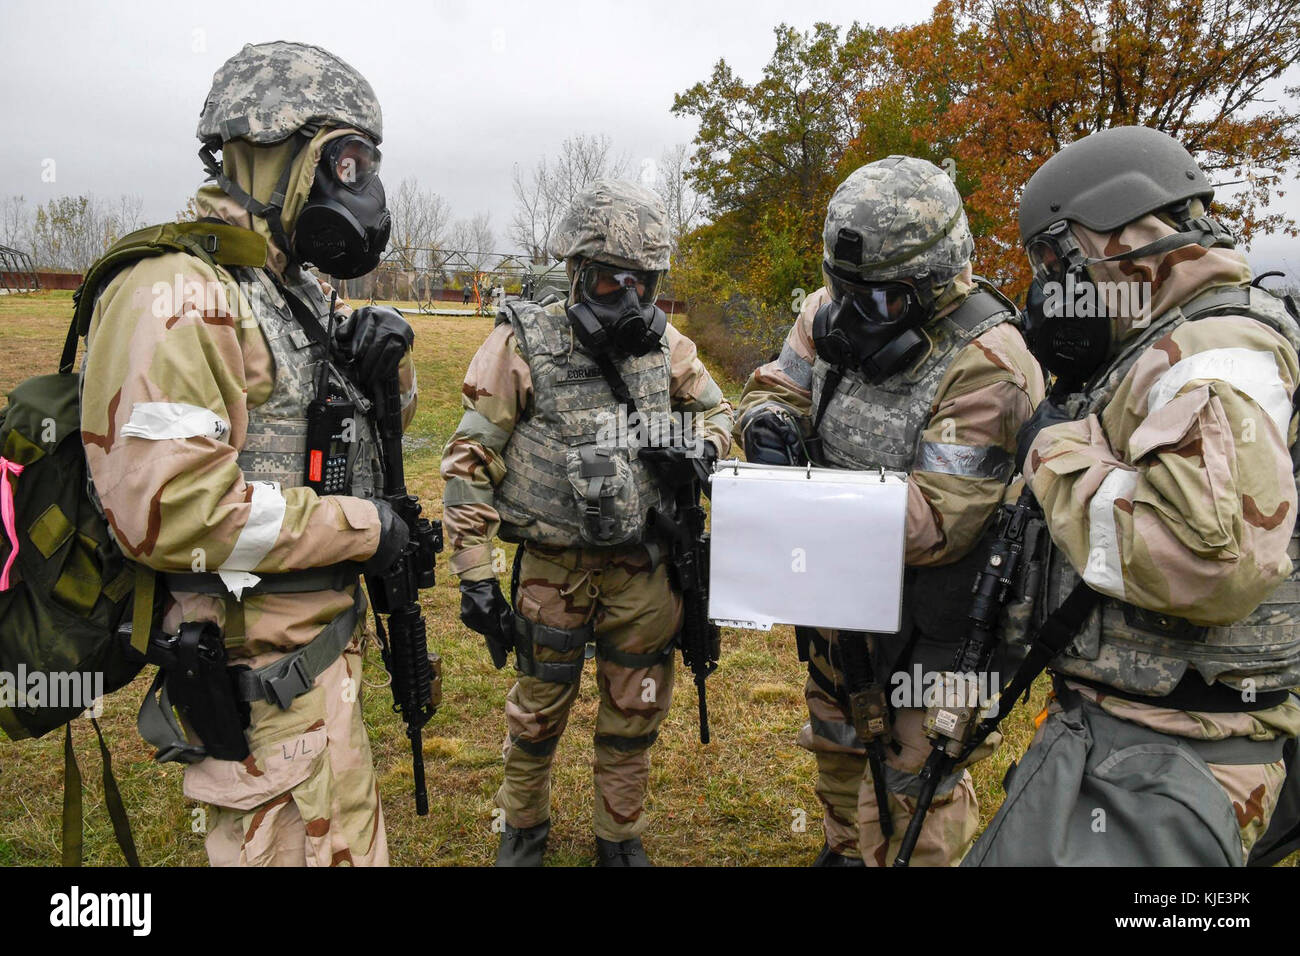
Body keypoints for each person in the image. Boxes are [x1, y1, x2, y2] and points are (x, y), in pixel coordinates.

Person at [78, 41, 417, 866]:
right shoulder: (176, 291)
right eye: (345, 159)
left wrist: (384, 374)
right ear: (269, 154)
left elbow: (330, 434)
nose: (361, 186)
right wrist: (365, 528)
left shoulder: (280, 290)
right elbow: (175, 514)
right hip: (263, 698)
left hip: (317, 675)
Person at [965, 125, 1300, 866]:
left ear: (1115, 239)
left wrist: (1051, 449)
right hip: (1136, 731)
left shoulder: (1217, 355)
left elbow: (1204, 561)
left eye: (1055, 258)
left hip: (1175, 751)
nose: (1049, 286)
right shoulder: (1168, 340)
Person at [734, 156, 1045, 866]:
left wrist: (793, 502)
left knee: (912, 790)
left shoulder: (991, 361)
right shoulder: (829, 310)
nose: (851, 312)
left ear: (934, 284)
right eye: (844, 289)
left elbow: (937, 520)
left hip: (939, 617)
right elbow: (777, 384)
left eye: (880, 299)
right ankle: (843, 849)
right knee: (838, 735)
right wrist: (765, 425)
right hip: (842, 593)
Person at [440, 179, 733, 866]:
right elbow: (468, 458)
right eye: (608, 282)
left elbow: (722, 415)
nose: (627, 299)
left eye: (640, 282)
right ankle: (523, 828)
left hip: (644, 571)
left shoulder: (670, 351)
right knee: (537, 712)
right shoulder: (524, 343)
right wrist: (474, 576)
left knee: (634, 712)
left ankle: (618, 835)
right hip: (554, 567)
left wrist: (700, 449)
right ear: (577, 275)